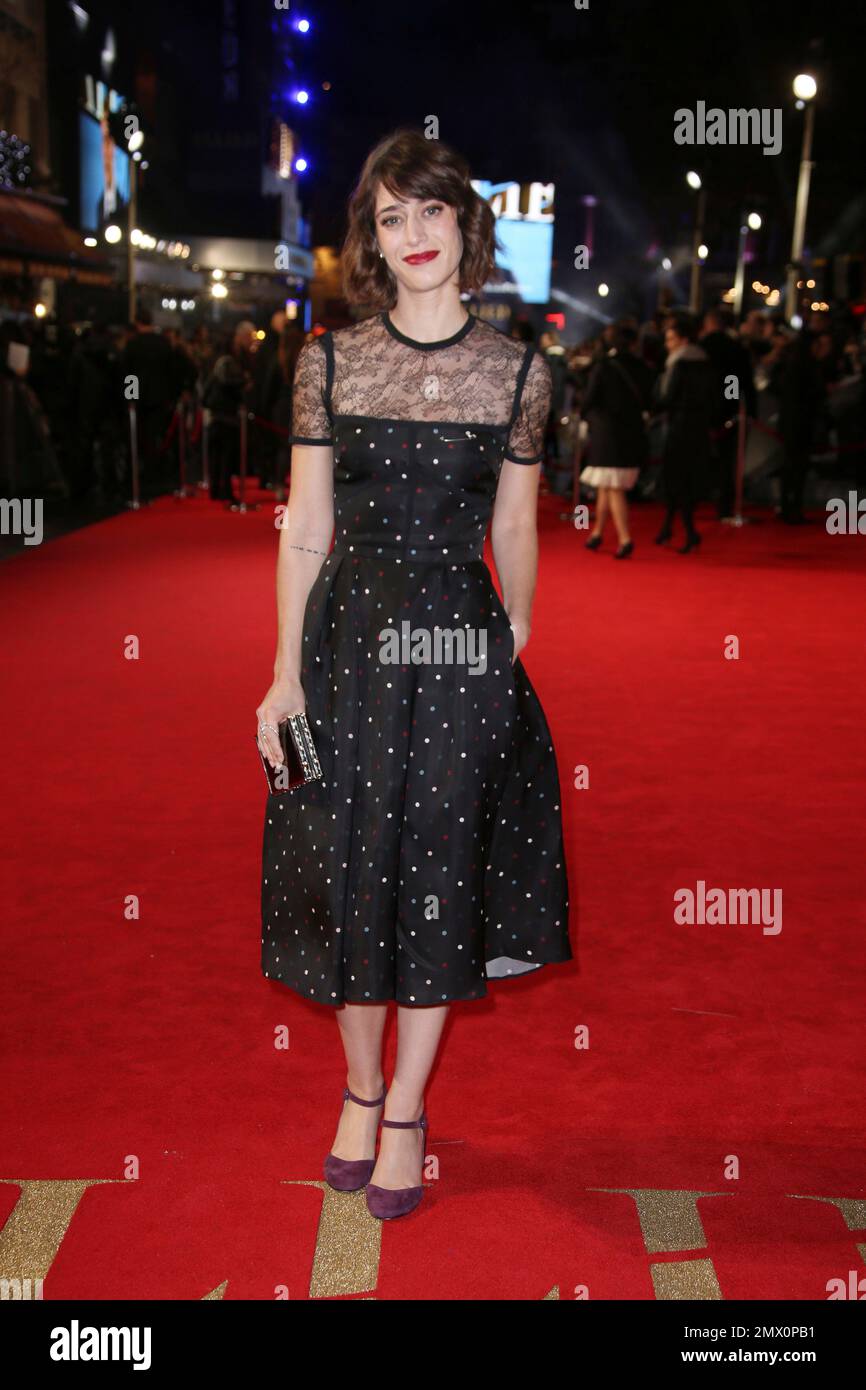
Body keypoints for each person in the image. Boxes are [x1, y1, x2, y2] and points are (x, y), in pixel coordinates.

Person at [255, 127, 572, 1221]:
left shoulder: (518, 372)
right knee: (347, 868)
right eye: (390, 217)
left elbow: (517, 519)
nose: (412, 233)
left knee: (435, 872)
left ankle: (406, 1108)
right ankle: (356, 1084)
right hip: (346, 645)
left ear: (464, 225)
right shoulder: (329, 362)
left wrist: (516, 626)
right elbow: (304, 529)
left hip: (457, 650)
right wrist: (281, 676)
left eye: (429, 210)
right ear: (369, 244)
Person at [579, 322, 654, 557]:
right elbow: (651, 399)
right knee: (606, 485)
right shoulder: (642, 367)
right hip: (631, 433)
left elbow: (589, 399)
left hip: (606, 433)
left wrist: (585, 418)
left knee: (612, 487)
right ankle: (597, 533)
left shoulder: (603, 367)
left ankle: (625, 537)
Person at [653, 310, 714, 552]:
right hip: (699, 431)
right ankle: (670, 528)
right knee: (687, 481)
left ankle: (688, 531)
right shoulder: (706, 363)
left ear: (683, 340)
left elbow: (666, 398)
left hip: (679, 429)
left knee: (677, 481)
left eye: (670, 339)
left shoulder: (678, 365)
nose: (667, 345)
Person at [699, 307, 756, 519]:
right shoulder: (735, 348)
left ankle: (689, 501)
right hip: (730, 408)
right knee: (728, 461)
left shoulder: (702, 347)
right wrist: (737, 404)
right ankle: (724, 504)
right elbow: (739, 381)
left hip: (701, 409)